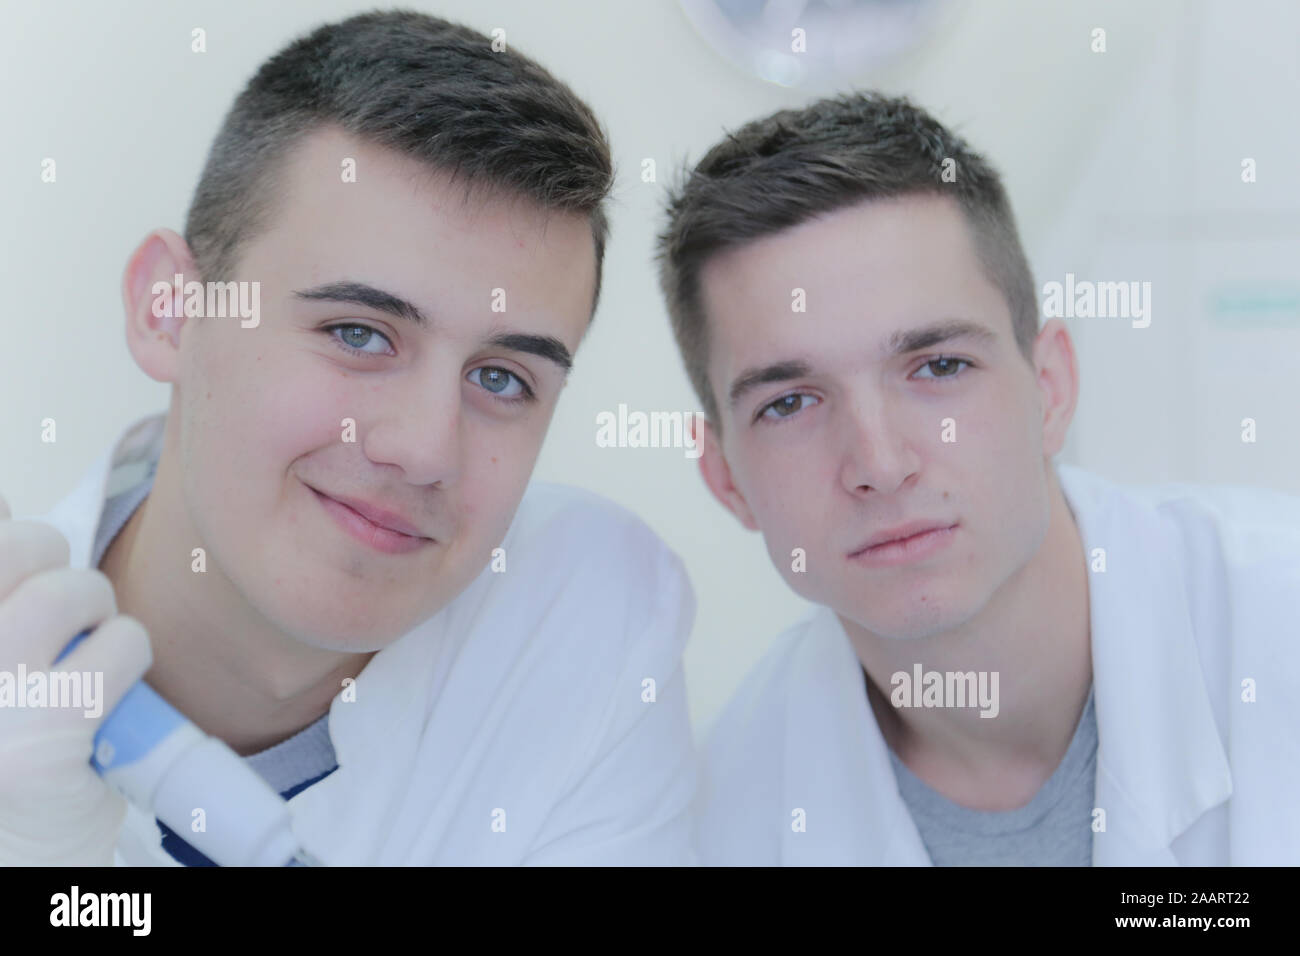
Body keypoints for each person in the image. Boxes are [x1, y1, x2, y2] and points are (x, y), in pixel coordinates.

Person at [0, 10, 695, 866]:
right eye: (359, 333)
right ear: (170, 309)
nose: (426, 449)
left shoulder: (585, 615)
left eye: (502, 379)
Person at [655, 92, 1300, 865]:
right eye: (790, 403)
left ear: (1050, 388)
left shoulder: (1276, 621)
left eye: (939, 366)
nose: (882, 466)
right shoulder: (724, 821)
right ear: (726, 478)